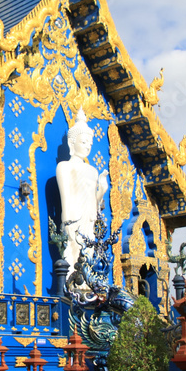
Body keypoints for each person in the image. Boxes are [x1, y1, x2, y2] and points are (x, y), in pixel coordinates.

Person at [55, 108, 109, 272]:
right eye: (84, 142)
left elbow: (95, 203)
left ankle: (86, 287)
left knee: (88, 256)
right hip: (73, 219)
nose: (88, 147)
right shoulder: (64, 167)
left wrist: (103, 189)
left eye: (90, 143)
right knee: (73, 255)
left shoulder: (93, 171)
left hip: (89, 220)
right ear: (72, 143)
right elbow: (65, 198)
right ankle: (72, 286)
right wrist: (67, 223)